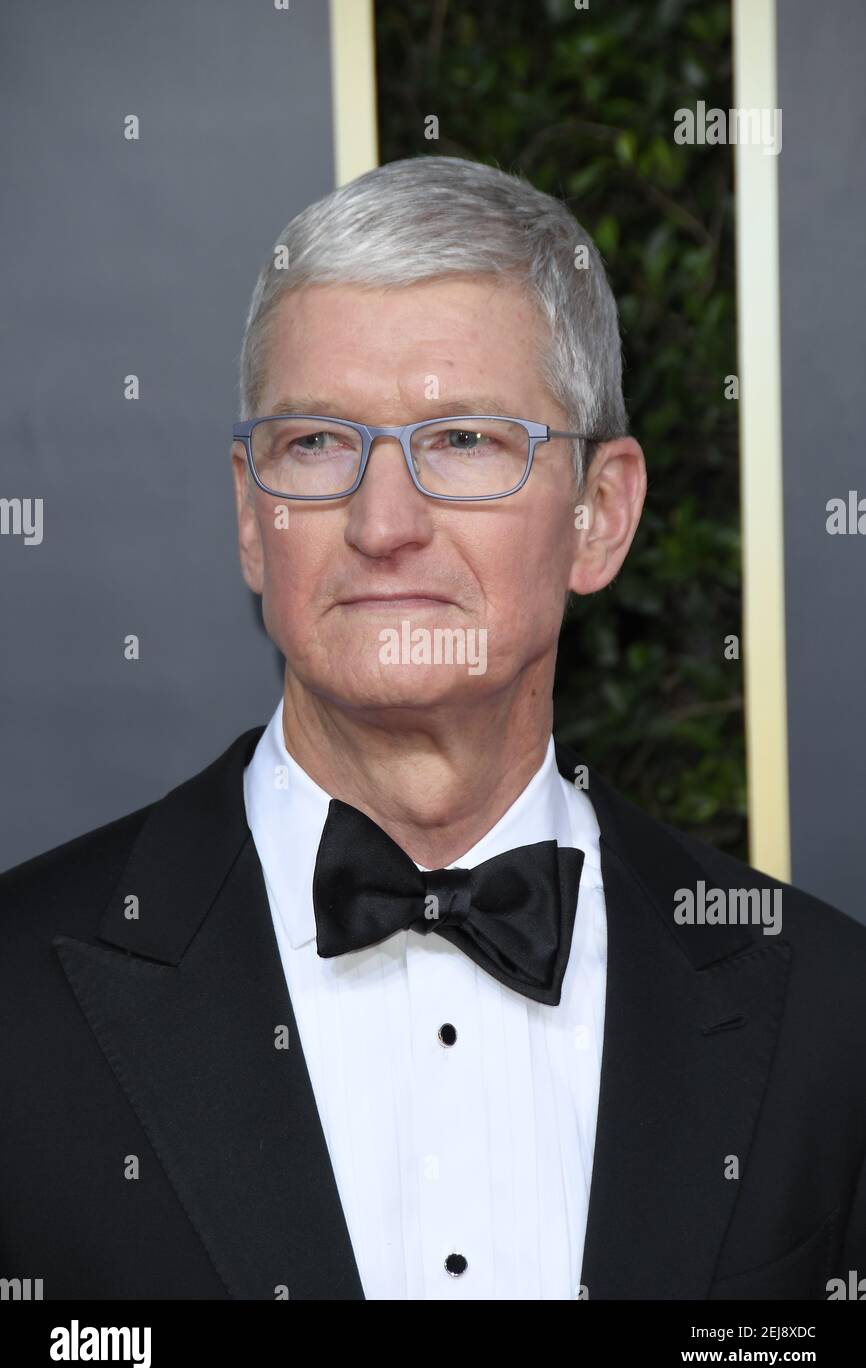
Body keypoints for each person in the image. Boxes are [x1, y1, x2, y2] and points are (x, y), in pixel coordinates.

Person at [1, 156, 864, 1302]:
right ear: (253, 520)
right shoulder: (19, 997)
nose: (383, 521)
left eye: (462, 440)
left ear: (598, 515)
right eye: (316, 442)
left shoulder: (825, 1010)